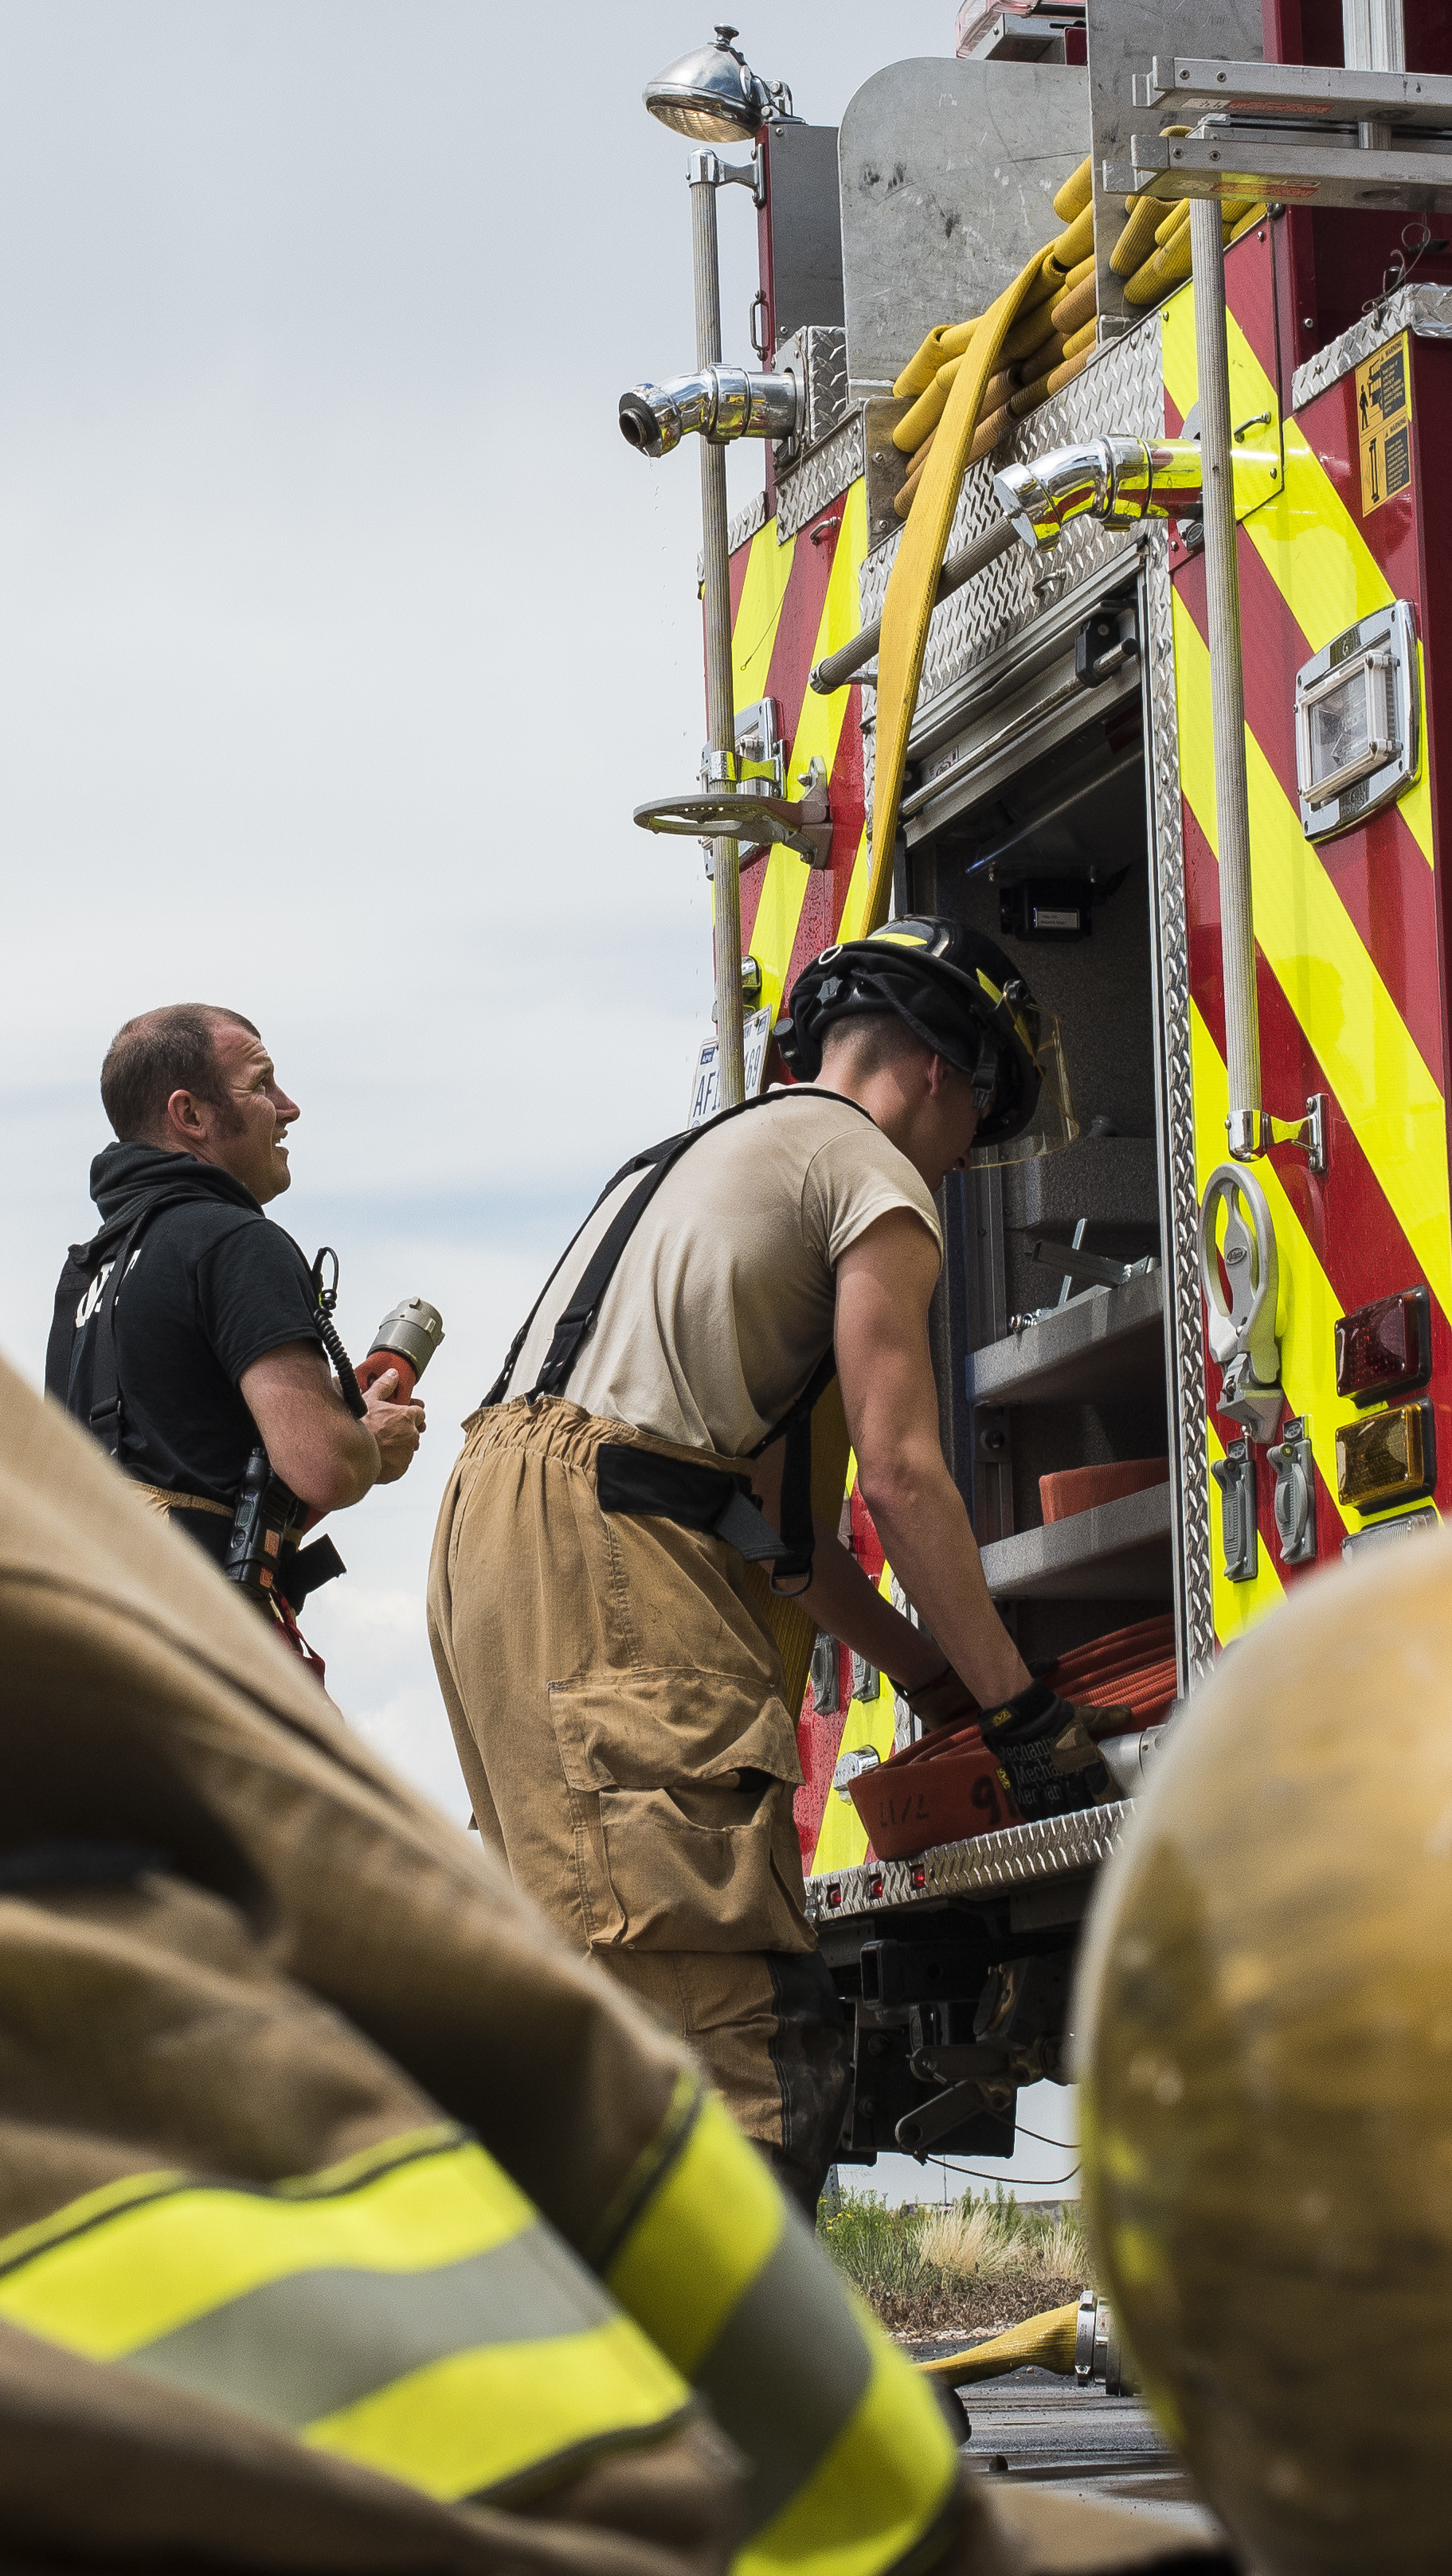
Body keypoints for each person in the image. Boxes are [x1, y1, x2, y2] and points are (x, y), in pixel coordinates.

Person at [424, 917, 1136, 2209]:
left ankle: (604, 2375)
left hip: (495, 1526)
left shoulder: (703, 1157)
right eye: (979, 1116)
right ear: (939, 1072)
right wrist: (1023, 1716)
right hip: (618, 1543)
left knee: (592, 1997)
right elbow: (903, 1469)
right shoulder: (872, 1171)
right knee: (733, 2032)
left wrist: (928, 1675)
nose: (965, 1153)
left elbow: (786, 1541)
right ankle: (761, 2402)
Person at [47, 1003, 425, 1675]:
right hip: (209, 1646)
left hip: (88, 1645)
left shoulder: (85, 1273)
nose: (289, 1108)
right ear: (189, 1115)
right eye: (261, 1085)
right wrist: (370, 1442)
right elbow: (326, 1467)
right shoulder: (235, 1241)